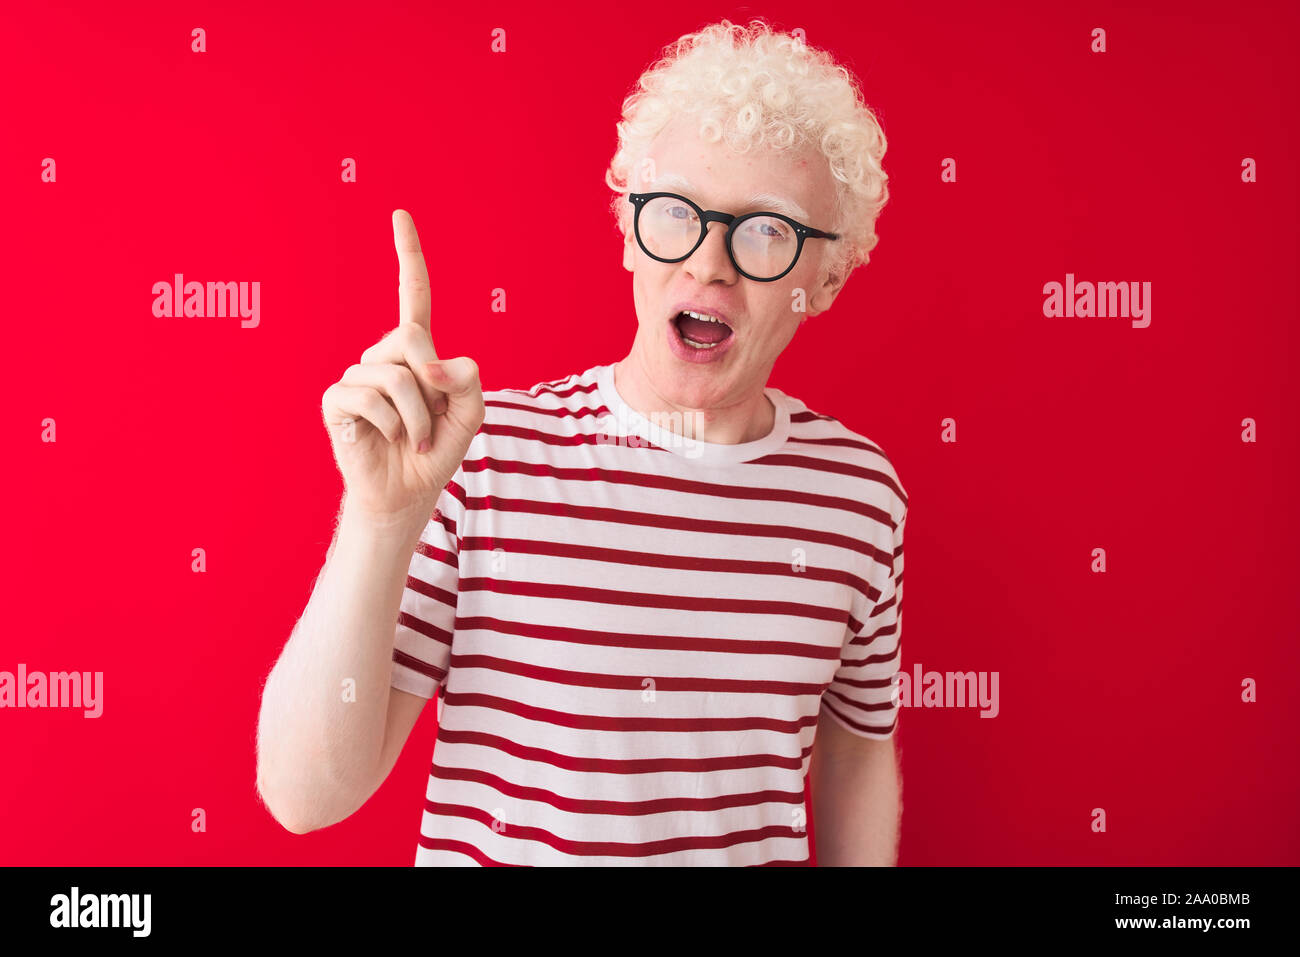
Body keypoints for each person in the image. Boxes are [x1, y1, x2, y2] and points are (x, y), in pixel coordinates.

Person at [256, 17, 906, 866]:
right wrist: (381, 521)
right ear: (631, 234)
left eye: (767, 232)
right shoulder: (482, 452)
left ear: (824, 278)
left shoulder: (858, 496)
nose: (708, 264)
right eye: (676, 213)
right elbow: (305, 796)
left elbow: (857, 750)